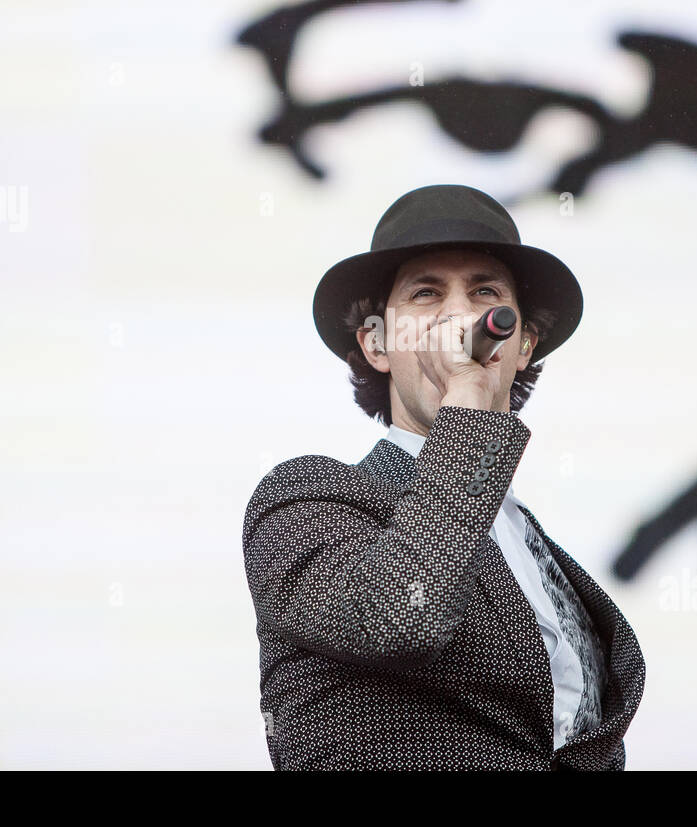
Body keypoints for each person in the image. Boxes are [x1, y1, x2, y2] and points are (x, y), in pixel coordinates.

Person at [242, 183, 646, 769]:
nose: (460, 315)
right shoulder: (305, 501)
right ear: (377, 345)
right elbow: (401, 614)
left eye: (484, 292)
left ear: (523, 343)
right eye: (427, 294)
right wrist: (467, 415)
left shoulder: (533, 546)